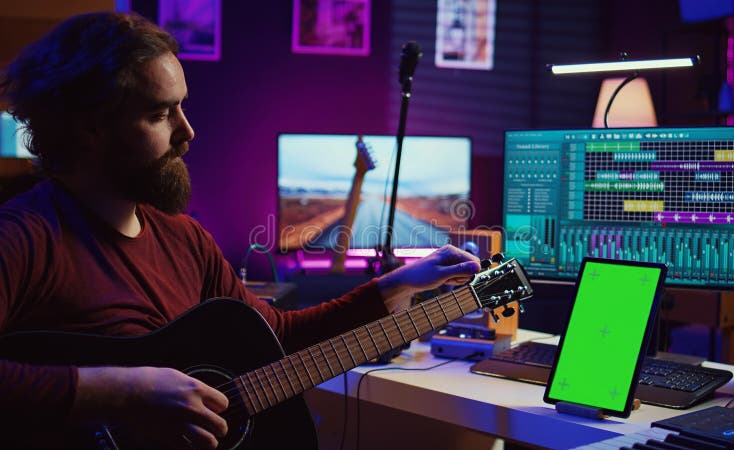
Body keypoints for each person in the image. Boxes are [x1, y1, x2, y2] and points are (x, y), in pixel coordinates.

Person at [0, 11, 481, 449]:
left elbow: (277, 338)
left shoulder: (185, 239)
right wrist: (123, 390)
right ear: (89, 128)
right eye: (159, 114)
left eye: (182, 107)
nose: (187, 131)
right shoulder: (25, 237)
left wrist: (398, 285)